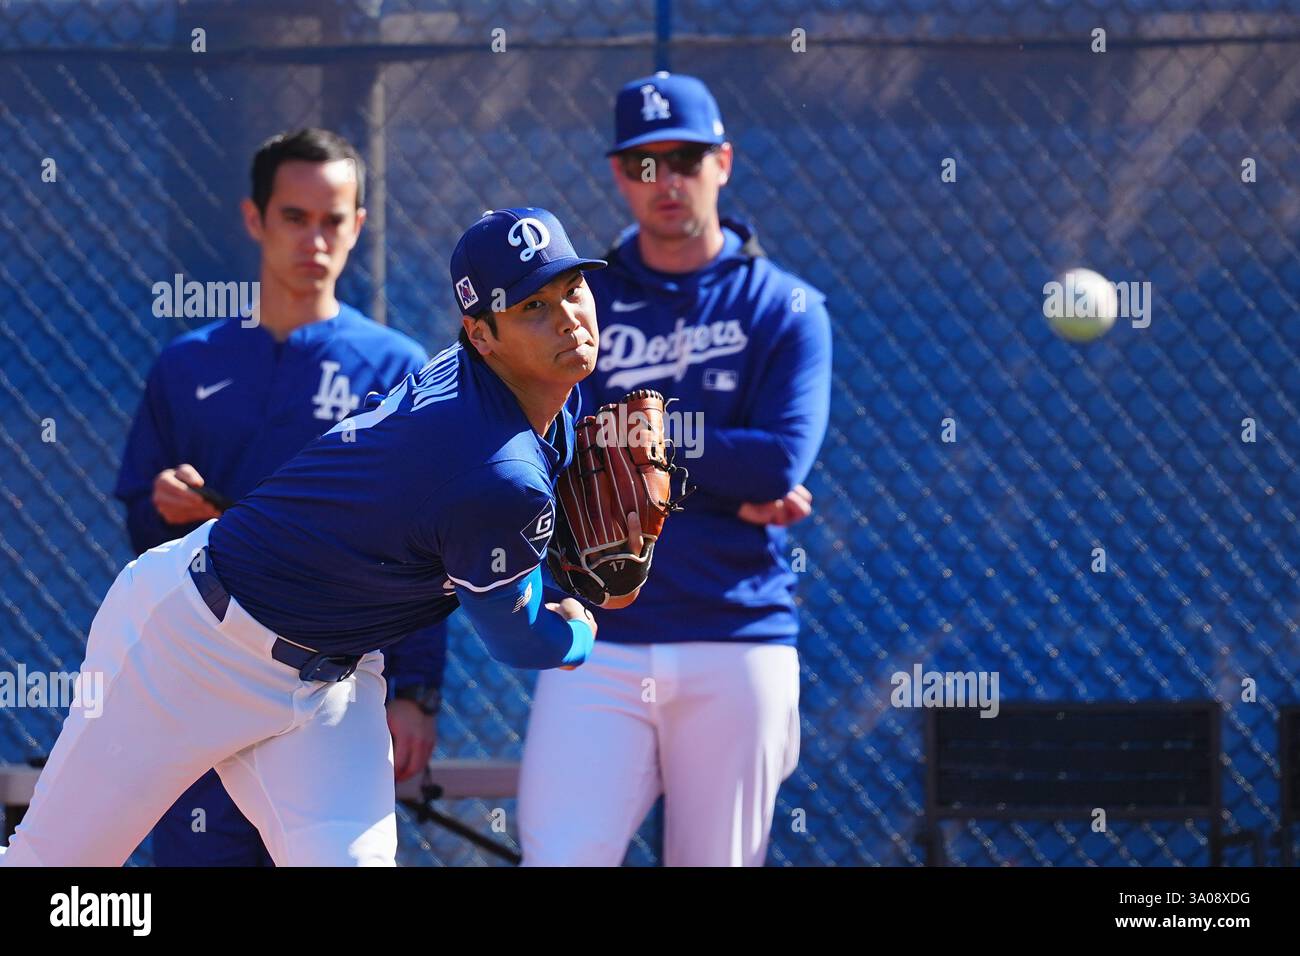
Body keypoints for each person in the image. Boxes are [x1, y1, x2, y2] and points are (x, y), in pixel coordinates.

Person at [1, 206, 605, 867]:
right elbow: (517, 638)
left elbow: (485, 539)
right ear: (481, 334)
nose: (569, 317)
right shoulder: (497, 468)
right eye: (532, 307)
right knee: (53, 871)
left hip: (329, 682)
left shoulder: (538, 396)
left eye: (573, 288)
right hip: (189, 643)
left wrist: (549, 565)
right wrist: (578, 631)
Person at [518, 72, 832, 866]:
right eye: (643, 163)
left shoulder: (784, 307)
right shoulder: (581, 301)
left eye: (685, 158)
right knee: (558, 855)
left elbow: (779, 462)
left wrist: (640, 440)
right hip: (596, 632)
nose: (666, 181)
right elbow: (544, 444)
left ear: (723, 161)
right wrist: (716, 476)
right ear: (620, 174)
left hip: (736, 635)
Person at [114, 127, 447, 867]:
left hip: (334, 681)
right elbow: (142, 519)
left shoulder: (397, 369)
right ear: (254, 218)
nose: (315, 238)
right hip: (201, 673)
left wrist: (415, 690)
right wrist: (161, 506)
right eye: (295, 216)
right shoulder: (188, 363)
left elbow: (429, 545)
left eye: (333, 219)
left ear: (358, 225)